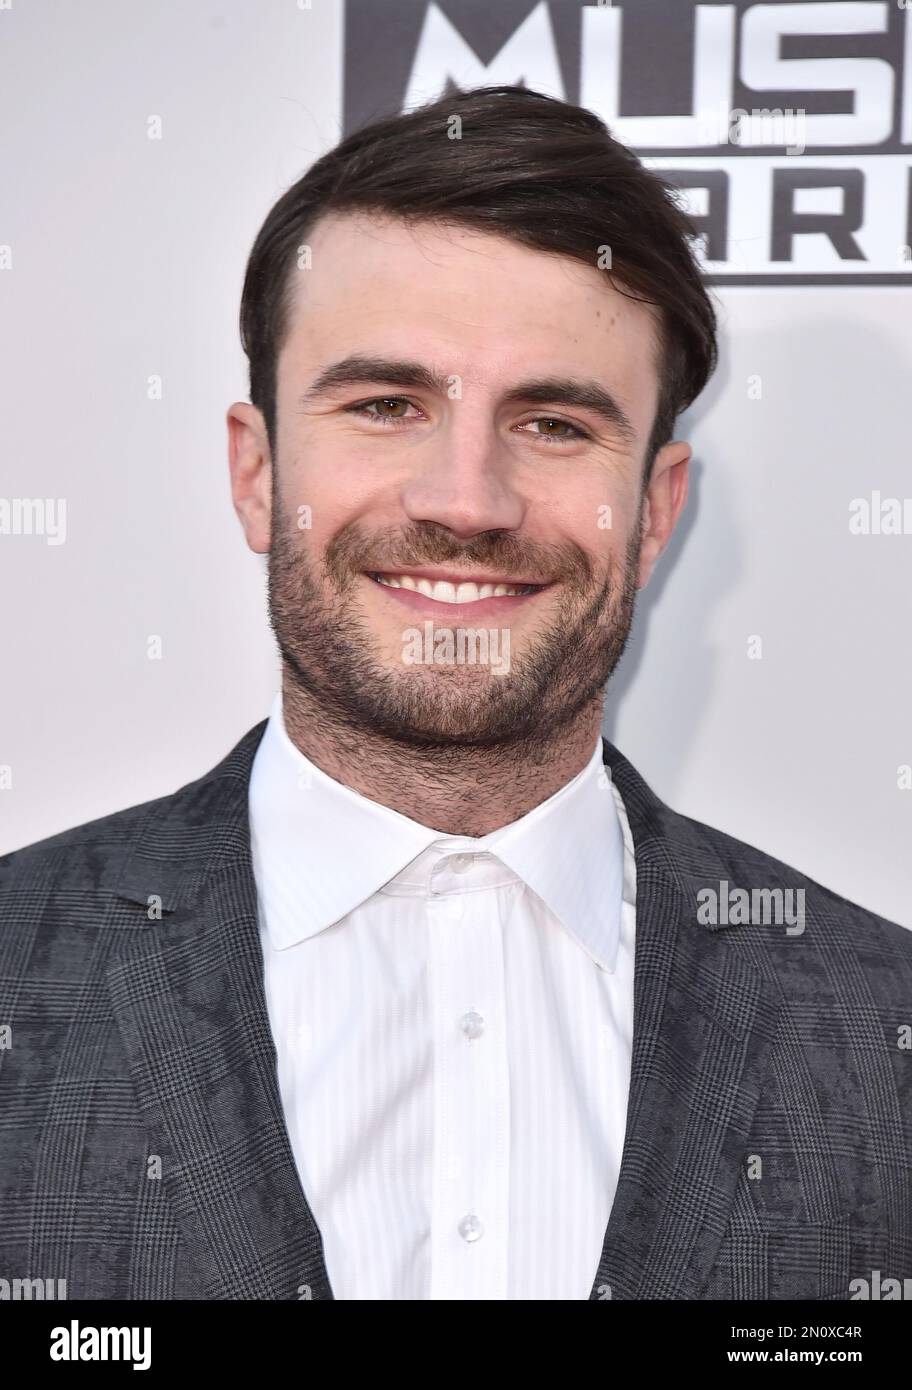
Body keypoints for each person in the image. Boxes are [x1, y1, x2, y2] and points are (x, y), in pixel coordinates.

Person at [1, 85, 909, 1301]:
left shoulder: (880, 1027)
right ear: (259, 473)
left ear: (654, 511)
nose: (465, 500)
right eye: (386, 405)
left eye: (552, 421)